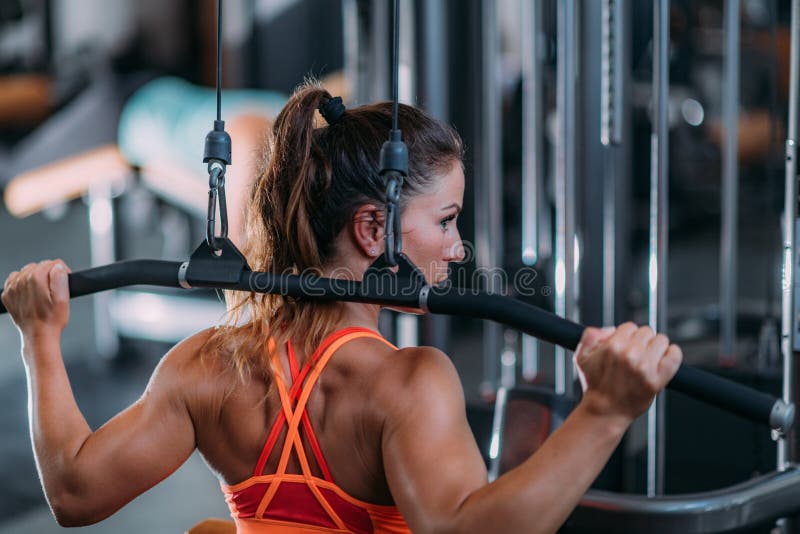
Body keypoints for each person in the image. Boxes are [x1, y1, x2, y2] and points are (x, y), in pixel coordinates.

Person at [1, 82, 682, 534]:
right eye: (444, 220)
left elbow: (74, 491)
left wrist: (41, 338)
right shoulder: (408, 385)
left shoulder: (206, 365)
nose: (458, 245)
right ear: (372, 231)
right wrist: (605, 412)